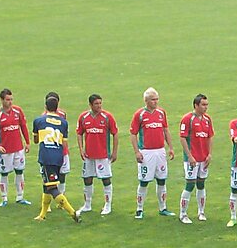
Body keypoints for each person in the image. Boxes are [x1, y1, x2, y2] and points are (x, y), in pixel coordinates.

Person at [32, 97, 80, 223]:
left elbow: (36, 140)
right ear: (57, 107)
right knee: (47, 185)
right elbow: (64, 142)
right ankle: (42, 215)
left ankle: (72, 212)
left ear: (45, 107)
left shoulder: (38, 120)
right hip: (58, 157)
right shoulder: (63, 123)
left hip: (46, 157)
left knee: (52, 188)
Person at [130, 87, 175, 219]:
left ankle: (163, 208)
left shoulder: (161, 113)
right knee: (144, 181)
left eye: (157, 99)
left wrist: (171, 147)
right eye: (153, 99)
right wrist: (137, 152)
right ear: (146, 101)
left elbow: (166, 130)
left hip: (160, 151)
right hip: (146, 152)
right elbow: (133, 134)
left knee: (162, 179)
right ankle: (139, 209)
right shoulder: (139, 114)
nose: (156, 102)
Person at [76, 94, 119, 216]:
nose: (99, 106)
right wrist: (81, 149)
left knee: (106, 179)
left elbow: (115, 134)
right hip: (88, 155)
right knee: (87, 179)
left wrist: (114, 152)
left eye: (100, 103)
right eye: (96, 104)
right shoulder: (83, 117)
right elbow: (79, 133)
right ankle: (87, 204)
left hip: (103, 155)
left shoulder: (107, 117)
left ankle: (107, 205)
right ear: (90, 105)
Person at [0, 88, 32, 207]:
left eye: (11, 99)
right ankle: (4, 198)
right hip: (5, 150)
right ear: (2, 100)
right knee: (4, 174)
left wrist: (27, 142)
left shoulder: (18, 111)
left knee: (20, 171)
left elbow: (23, 126)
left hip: (18, 149)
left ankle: (20, 197)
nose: (10, 102)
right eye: (8, 100)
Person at [178, 94, 214, 224]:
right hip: (192, 159)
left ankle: (201, 212)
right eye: (203, 105)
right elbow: (182, 138)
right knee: (190, 184)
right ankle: (183, 214)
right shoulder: (188, 119)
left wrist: (209, 154)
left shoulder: (207, 119)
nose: (206, 107)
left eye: (207, 105)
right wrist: (189, 156)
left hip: (203, 159)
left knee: (201, 184)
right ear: (196, 105)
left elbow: (210, 137)